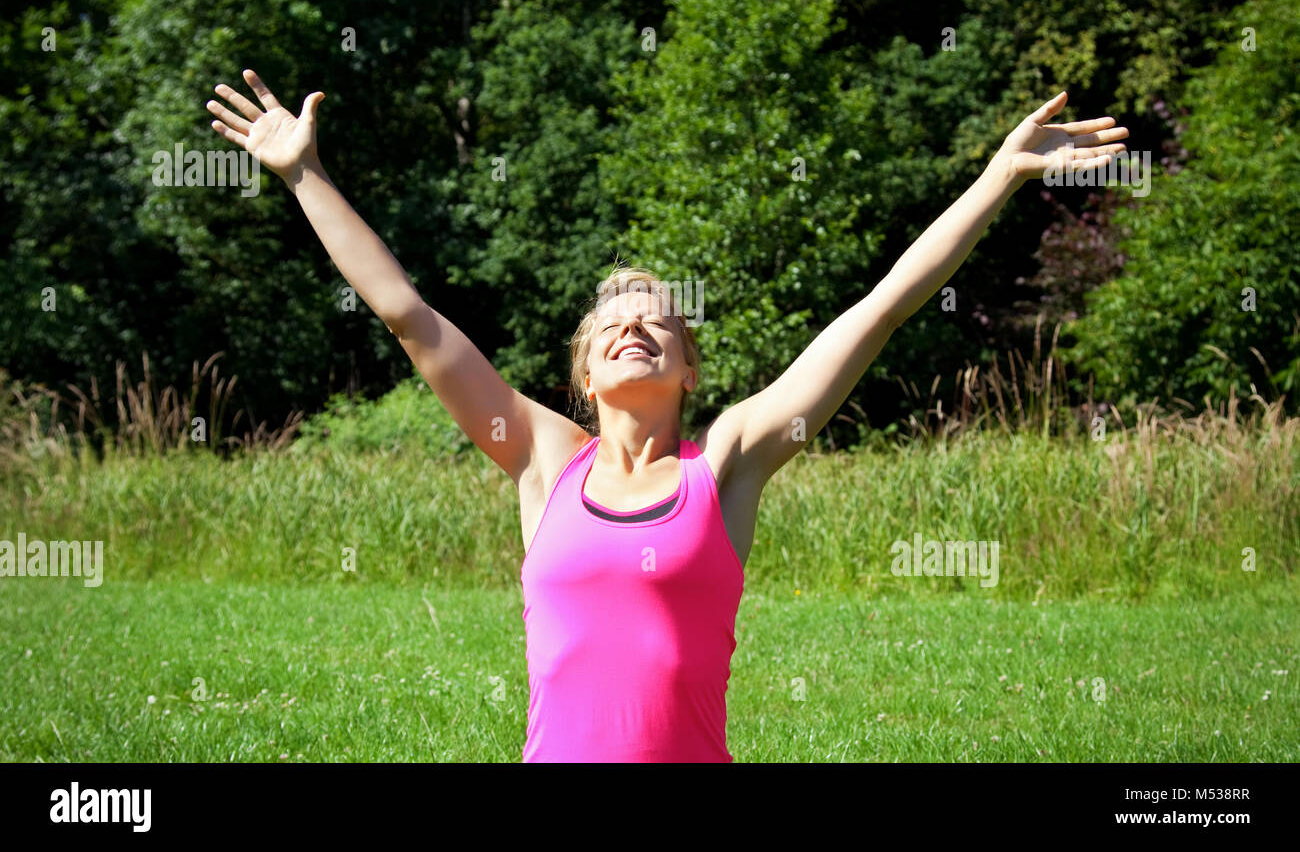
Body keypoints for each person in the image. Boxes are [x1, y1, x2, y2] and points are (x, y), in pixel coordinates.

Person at [207, 69, 1128, 761]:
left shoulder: (725, 463)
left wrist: (999, 179)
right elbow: (407, 315)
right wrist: (304, 176)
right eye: (613, 318)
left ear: (690, 369)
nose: (635, 325)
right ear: (584, 369)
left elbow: (881, 308)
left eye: (660, 318)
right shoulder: (539, 456)